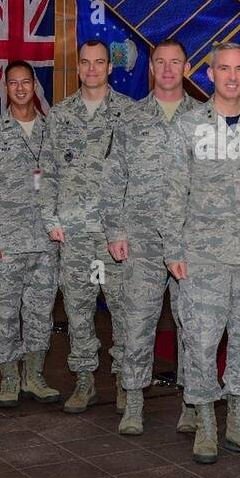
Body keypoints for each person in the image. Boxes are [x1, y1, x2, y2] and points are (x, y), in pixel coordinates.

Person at [163, 42, 240, 464]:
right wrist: (172, 249)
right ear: (210, 74)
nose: (232, 76)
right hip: (203, 257)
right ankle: (206, 422)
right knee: (200, 341)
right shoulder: (189, 125)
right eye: (224, 69)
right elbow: (173, 191)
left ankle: (239, 422)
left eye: (239, 69)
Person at [101, 38, 199, 435]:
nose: (169, 69)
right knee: (136, 322)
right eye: (161, 62)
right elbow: (113, 178)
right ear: (152, 68)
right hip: (140, 240)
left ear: (187, 68)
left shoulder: (204, 120)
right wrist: (114, 230)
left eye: (177, 62)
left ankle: (193, 403)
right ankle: (134, 401)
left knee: (191, 324)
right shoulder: (130, 119)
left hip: (189, 241)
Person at [39, 40, 134, 413]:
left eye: (99, 62)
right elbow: (46, 173)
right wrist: (51, 218)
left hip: (114, 237)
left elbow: (137, 176)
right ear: (77, 68)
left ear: (110, 67)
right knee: (78, 311)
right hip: (75, 234)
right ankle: (84, 381)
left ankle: (127, 383)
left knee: (124, 312)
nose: (92, 69)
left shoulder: (129, 113)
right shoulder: (60, 115)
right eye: (85, 63)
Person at [0, 61, 60, 408]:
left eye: (26, 82)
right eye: (13, 83)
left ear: (35, 85)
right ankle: (8, 379)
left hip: (45, 246)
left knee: (40, 314)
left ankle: (34, 376)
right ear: (6, 88)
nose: (20, 89)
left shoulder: (53, 131)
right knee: (5, 315)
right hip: (4, 246)